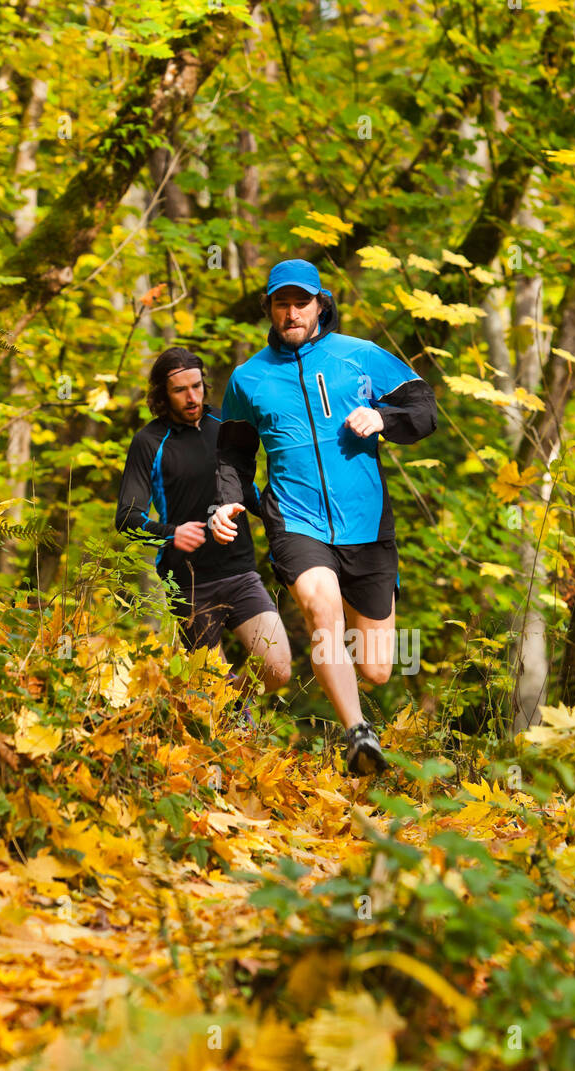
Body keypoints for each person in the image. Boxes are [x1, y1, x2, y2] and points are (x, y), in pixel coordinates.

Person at [209, 260, 437, 774]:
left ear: (320, 305)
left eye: (301, 302)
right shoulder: (248, 378)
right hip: (295, 520)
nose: (291, 312)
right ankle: (357, 734)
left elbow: (425, 409)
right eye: (280, 303)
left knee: (377, 667)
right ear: (268, 309)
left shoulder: (360, 356)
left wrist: (384, 416)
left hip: (367, 524)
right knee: (320, 607)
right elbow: (233, 457)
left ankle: (248, 688)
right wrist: (227, 502)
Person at [115, 346, 291, 702]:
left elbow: (249, 491)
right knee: (208, 692)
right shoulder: (149, 442)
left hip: (241, 572)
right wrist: (171, 533)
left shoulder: (225, 426)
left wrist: (284, 521)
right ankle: (226, 732)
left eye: (196, 386)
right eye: (180, 390)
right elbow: (127, 518)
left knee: (277, 668)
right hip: (189, 583)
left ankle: (232, 708)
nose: (192, 397)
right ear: (162, 394)